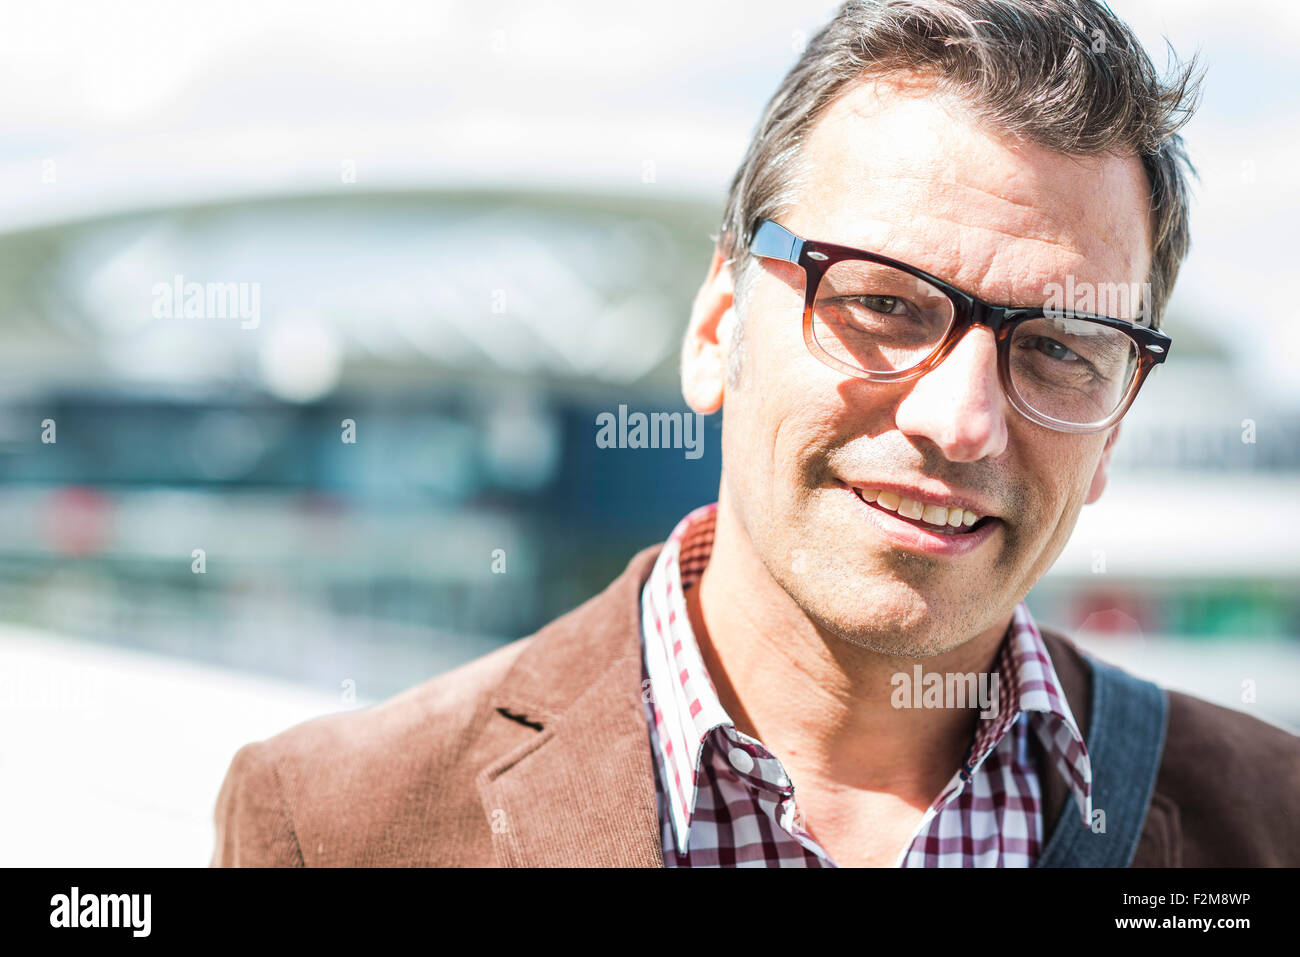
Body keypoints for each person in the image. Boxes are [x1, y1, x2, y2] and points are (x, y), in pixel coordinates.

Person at [210, 0, 1299, 867]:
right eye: (883, 304)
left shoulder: (1270, 821)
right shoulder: (334, 826)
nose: (962, 423)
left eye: (1060, 349)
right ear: (717, 326)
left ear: (1111, 433)